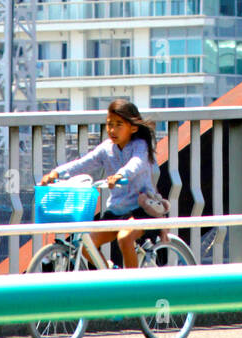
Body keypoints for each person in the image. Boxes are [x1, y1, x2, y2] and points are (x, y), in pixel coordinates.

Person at [40, 98, 155, 268]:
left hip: (141, 209)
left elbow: (136, 163)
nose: (112, 130)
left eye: (118, 124)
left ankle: (133, 287)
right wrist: (56, 172)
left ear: (133, 127)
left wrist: (119, 175)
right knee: (87, 244)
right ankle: (110, 273)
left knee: (124, 238)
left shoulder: (140, 145)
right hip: (116, 210)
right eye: (109, 124)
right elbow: (83, 163)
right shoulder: (106, 149)